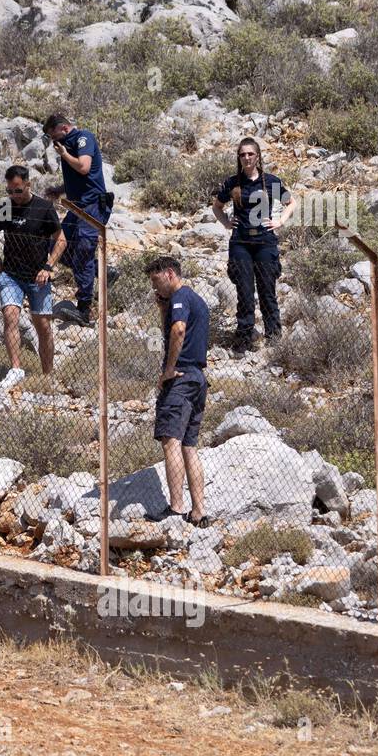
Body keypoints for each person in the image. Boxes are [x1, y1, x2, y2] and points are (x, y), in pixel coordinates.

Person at [143, 257, 212, 527]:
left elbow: (179, 330)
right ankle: (199, 511)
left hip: (181, 378)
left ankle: (176, 508)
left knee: (170, 440)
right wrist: (163, 309)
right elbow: (173, 327)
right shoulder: (193, 299)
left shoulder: (181, 296)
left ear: (170, 274)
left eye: (156, 280)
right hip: (198, 379)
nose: (154, 287)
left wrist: (169, 370)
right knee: (189, 446)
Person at [212, 137, 297, 353]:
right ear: (239, 158)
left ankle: (274, 338)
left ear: (257, 156)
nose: (247, 157)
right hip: (240, 242)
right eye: (243, 154)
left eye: (250, 153)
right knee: (245, 292)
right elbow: (217, 206)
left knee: (268, 290)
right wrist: (226, 223)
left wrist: (280, 221)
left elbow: (291, 202)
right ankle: (243, 339)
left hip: (265, 243)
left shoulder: (270, 181)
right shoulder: (233, 183)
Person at [0, 165, 66, 391]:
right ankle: (15, 369)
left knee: (43, 326)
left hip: (38, 278)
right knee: (10, 315)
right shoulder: (5, 207)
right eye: (10, 191)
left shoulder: (43, 208)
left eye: (18, 190)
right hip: (11, 275)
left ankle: (47, 375)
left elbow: (61, 240)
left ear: (28, 185)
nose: (14, 195)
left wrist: (48, 267)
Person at [43, 113, 115, 327]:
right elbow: (81, 177)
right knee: (57, 246)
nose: (53, 141)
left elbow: (83, 166)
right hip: (77, 206)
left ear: (64, 128)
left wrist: (64, 154)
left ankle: (84, 309)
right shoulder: (67, 145)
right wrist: (59, 190)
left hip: (93, 206)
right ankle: (101, 272)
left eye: (53, 135)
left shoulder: (83, 139)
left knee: (83, 249)